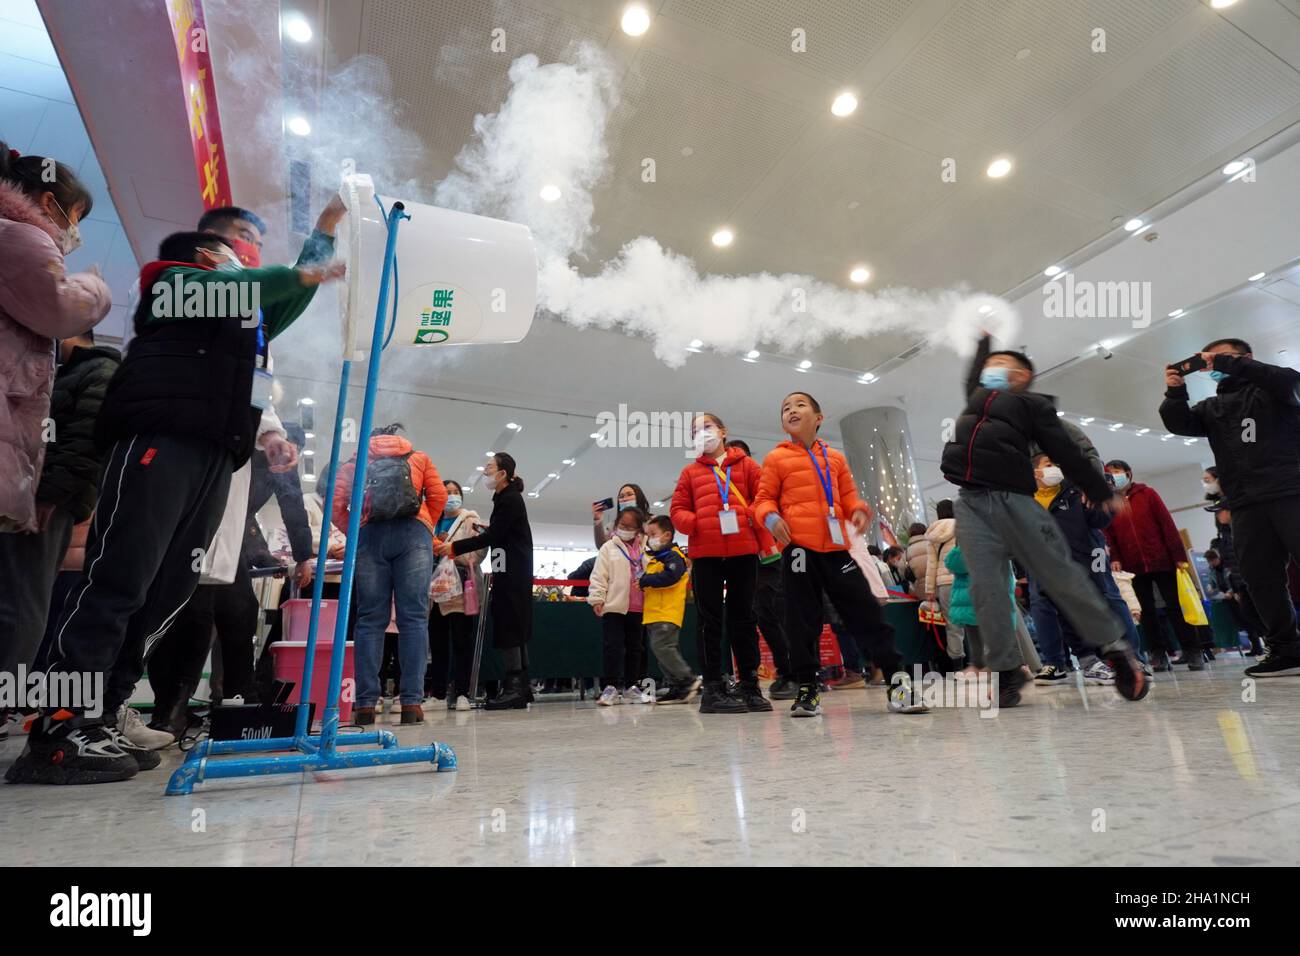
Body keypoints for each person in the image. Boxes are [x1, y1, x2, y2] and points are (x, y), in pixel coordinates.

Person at [6, 230, 344, 785]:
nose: (245, 261)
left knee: (168, 591)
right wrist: (296, 274)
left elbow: (287, 297)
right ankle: (60, 726)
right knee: (119, 579)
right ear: (209, 258)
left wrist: (325, 232)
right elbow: (260, 287)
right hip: (160, 439)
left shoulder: (244, 321)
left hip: (216, 453)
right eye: (236, 253)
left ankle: (106, 709)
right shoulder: (169, 284)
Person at [938, 333, 1147, 707]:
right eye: (988, 365)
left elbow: (1066, 450)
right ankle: (1006, 671)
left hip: (1016, 500)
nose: (989, 370)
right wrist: (983, 341)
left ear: (1021, 376)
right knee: (986, 590)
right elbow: (971, 375)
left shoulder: (1032, 406)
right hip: (970, 504)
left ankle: (1114, 649)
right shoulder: (976, 400)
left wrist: (1098, 490)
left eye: (999, 365)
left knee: (1060, 576)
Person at [0, 143, 112, 713]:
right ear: (49, 202)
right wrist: (95, 288)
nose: (75, 234)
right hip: (41, 501)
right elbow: (61, 305)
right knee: (23, 605)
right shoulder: (22, 237)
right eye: (76, 217)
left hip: (42, 497)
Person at [755, 392, 926, 717]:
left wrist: (859, 511)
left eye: (800, 405)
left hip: (836, 549)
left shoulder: (834, 459)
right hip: (798, 549)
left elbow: (849, 497)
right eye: (786, 408)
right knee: (801, 620)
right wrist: (771, 518)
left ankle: (896, 679)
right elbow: (763, 499)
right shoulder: (776, 459)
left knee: (865, 612)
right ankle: (807, 687)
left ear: (819, 418)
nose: (791, 410)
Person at [1161, 339, 1300, 677]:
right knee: (1259, 578)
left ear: (1246, 358)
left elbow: (1289, 381)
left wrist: (1230, 364)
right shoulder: (1212, 407)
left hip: (1290, 489)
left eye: (1223, 357)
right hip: (1245, 503)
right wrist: (1175, 392)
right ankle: (1287, 650)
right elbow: (1179, 423)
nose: (1215, 364)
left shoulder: (1274, 391)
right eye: (1211, 360)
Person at [0, 331, 119, 696]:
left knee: (22, 603)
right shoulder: (61, 372)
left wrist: (50, 498)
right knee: (16, 600)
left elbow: (84, 447)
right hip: (29, 498)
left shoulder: (101, 371)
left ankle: (7, 696)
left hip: (48, 505)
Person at [333, 423, 445, 726]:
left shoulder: (356, 462)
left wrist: (355, 531)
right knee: (414, 619)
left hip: (370, 536)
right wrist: (425, 525)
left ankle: (365, 705)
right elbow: (438, 495)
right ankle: (411, 703)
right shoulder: (418, 457)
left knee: (370, 620)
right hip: (414, 536)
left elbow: (337, 503)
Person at [671, 413, 775, 715]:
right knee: (709, 621)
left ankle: (750, 686)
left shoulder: (747, 466)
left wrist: (747, 516)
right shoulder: (690, 472)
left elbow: (764, 498)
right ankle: (713, 689)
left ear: (723, 431)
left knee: (745, 619)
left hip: (743, 552)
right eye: (695, 431)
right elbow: (677, 510)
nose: (701, 433)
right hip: (706, 555)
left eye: (706, 427)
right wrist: (697, 523)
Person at [1027, 453, 1143, 686]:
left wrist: (1105, 495)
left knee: (1108, 597)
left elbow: (1099, 520)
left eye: (1056, 463)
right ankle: (1071, 662)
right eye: (1049, 465)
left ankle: (1135, 660)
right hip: (1047, 561)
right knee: (1052, 606)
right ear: (1035, 473)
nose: (1055, 468)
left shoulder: (1074, 491)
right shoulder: (1025, 501)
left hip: (1088, 554)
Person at [435, 453, 534, 709]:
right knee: (513, 625)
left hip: (512, 572)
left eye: (490, 468)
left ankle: (514, 686)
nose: (485, 472)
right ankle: (522, 685)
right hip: (507, 570)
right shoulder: (503, 499)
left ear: (503, 473)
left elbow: (495, 536)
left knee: (510, 626)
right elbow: (497, 534)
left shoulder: (510, 499)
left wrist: (455, 547)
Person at [1100, 459, 1201, 672]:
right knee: (1145, 611)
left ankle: (1192, 650)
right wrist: (1115, 557)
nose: (1113, 476)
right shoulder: (1109, 502)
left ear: (1128, 473)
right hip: (1132, 566)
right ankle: (1158, 653)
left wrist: (1178, 556)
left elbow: (1167, 524)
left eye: (1117, 471)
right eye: (1109, 473)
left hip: (1162, 560)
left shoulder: (1148, 494)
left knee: (1175, 607)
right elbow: (1109, 533)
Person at [726, 438, 796, 699]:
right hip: (741, 558)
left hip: (768, 557)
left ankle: (790, 673)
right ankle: (749, 678)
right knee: (746, 620)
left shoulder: (762, 483)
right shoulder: (720, 484)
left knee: (769, 616)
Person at [428, 480, 485, 711]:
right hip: (436, 591)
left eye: (455, 492)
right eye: (447, 492)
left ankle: (462, 693)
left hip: (462, 589)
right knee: (438, 644)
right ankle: (438, 694)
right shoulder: (432, 521)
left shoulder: (470, 519)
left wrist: (450, 548)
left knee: (462, 642)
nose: (452, 496)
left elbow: (479, 552)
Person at [588, 506, 651, 705]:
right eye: (622, 525)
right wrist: (597, 598)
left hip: (638, 606)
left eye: (631, 527)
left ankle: (631, 687)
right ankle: (611, 687)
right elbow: (599, 575)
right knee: (613, 647)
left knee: (636, 648)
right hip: (614, 606)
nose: (625, 529)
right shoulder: (608, 548)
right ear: (616, 524)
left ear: (639, 529)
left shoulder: (645, 548)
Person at [1209, 506, 1266, 657]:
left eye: (1220, 512)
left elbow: (1236, 563)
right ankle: (1262, 646)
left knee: (1254, 616)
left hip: (1243, 584)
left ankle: (1269, 645)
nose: (1218, 516)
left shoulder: (1235, 535)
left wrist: (1237, 589)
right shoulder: (1222, 540)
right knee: (1248, 618)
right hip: (1237, 586)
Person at [923, 499, 966, 666]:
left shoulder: (933, 533)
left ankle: (958, 666)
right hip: (964, 579)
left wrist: (929, 590)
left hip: (945, 585)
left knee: (952, 625)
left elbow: (931, 565)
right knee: (975, 621)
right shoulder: (963, 526)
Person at [592, 483, 650, 549]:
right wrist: (597, 519)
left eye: (629, 494)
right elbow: (602, 547)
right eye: (621, 497)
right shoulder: (612, 526)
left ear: (639, 497)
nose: (625, 499)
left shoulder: (652, 521)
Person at [904, 522, 928, 591]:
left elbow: (902, 569)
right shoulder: (933, 544)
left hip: (922, 590)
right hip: (939, 584)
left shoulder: (907, 552)